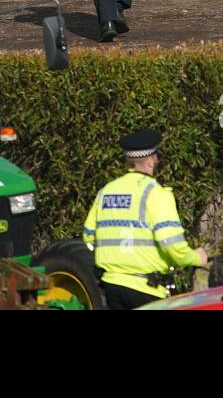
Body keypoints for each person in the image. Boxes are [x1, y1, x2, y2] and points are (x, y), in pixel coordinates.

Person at [82, 129, 208, 309]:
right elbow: (172, 245)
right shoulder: (156, 194)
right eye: (157, 158)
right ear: (150, 161)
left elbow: (89, 237)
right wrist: (197, 258)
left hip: (111, 286)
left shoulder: (106, 191)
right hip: (146, 290)